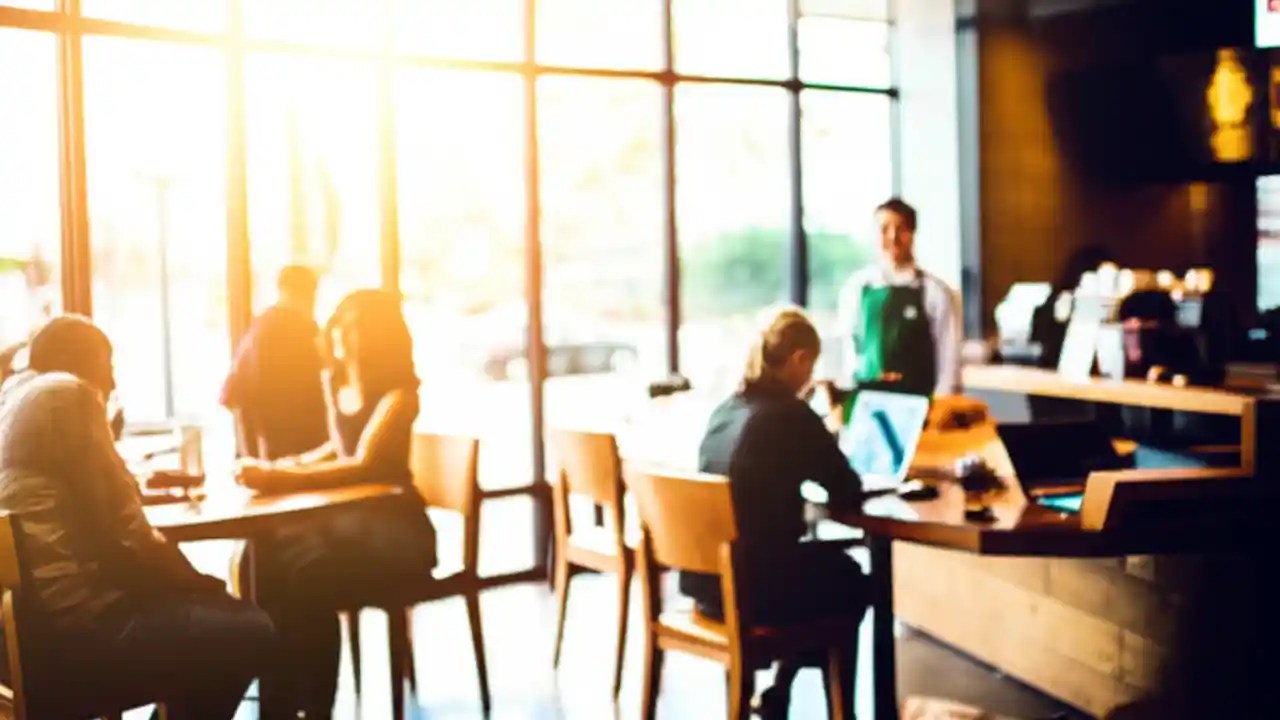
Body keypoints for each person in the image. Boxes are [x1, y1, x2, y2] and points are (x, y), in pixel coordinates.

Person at [0, 315, 274, 719]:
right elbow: (130, 535)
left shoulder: (15, 399)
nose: (111, 383)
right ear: (74, 359)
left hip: (20, 638)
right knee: (249, 629)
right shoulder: (65, 394)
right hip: (76, 640)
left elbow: (94, 509)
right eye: (107, 366)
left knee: (205, 614)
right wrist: (199, 584)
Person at [237, 290, 438, 719]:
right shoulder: (340, 385)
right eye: (342, 329)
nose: (343, 338)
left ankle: (315, 707)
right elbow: (337, 447)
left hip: (396, 536)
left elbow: (362, 465)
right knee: (269, 560)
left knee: (309, 575)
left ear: (375, 337)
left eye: (353, 330)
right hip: (351, 529)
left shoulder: (400, 395)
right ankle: (280, 698)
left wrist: (277, 476)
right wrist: (283, 464)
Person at [681, 307, 868, 719]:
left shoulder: (726, 409)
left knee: (823, 572)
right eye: (811, 365)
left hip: (707, 585)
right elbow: (846, 488)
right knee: (853, 581)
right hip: (753, 593)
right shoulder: (789, 415)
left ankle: (779, 693)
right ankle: (831, 708)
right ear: (800, 359)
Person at [836, 198, 961, 401]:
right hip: (867, 401)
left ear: (913, 234)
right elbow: (849, 350)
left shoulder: (934, 291)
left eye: (901, 229)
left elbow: (948, 356)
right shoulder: (856, 288)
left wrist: (942, 401)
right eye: (884, 229)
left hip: (919, 402)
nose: (893, 237)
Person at [221, 265, 328, 460]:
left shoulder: (258, 329)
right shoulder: (300, 331)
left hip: (268, 446)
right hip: (299, 442)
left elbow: (232, 393)